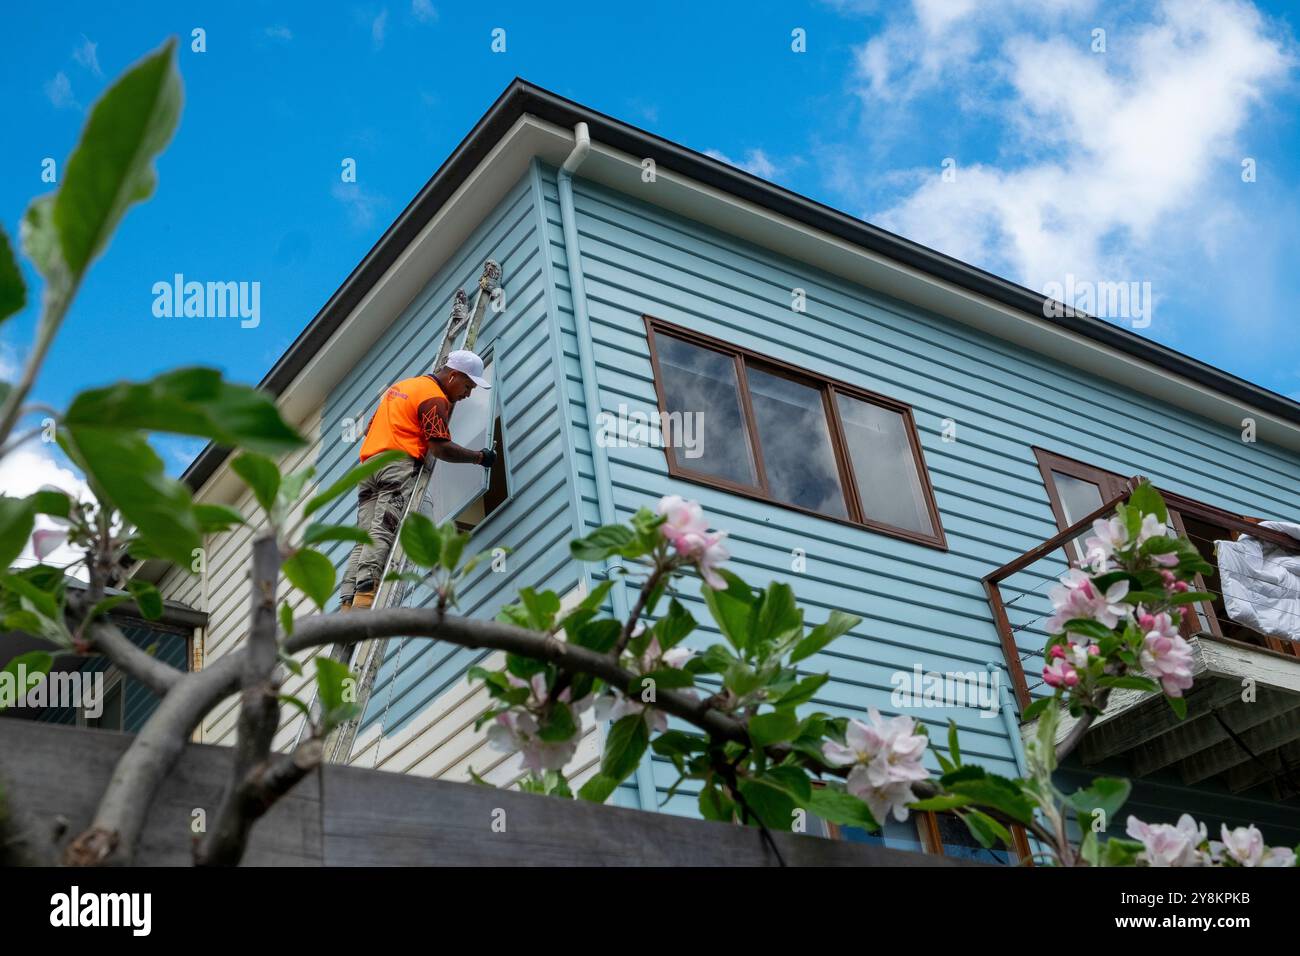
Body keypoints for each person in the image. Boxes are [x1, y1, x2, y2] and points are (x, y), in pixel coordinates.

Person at [338, 349, 496, 611]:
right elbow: (440, 448)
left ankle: (347, 600)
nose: (467, 394)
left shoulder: (402, 387)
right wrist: (480, 457)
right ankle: (365, 595)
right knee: (383, 528)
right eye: (467, 386)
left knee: (364, 536)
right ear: (454, 376)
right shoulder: (434, 398)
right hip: (397, 466)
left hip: (368, 468)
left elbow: (370, 428)